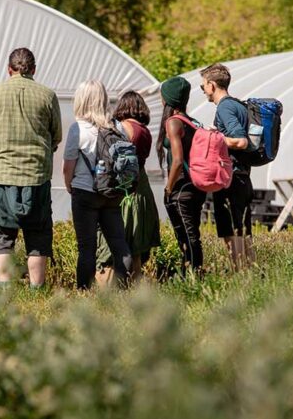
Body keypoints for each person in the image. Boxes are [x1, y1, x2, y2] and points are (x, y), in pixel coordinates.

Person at [0, 48, 62, 288]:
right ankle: (36, 291)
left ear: (9, 68)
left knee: (2, 235)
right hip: (36, 177)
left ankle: (6, 289)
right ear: (34, 69)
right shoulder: (47, 95)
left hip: (1, 175)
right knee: (38, 234)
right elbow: (56, 136)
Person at [63, 80, 133, 289]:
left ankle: (84, 291)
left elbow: (68, 166)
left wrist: (70, 186)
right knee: (120, 245)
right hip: (112, 193)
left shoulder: (78, 129)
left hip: (85, 192)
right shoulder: (118, 127)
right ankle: (122, 290)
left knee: (87, 248)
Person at [96, 91, 160, 282]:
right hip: (142, 190)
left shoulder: (122, 128)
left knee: (109, 249)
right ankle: (134, 295)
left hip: (123, 191)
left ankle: (104, 296)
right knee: (137, 248)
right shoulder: (146, 131)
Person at [199, 62, 256, 269]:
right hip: (242, 176)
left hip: (231, 178)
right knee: (243, 229)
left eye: (203, 86)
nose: (203, 90)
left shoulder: (224, 107)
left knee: (232, 230)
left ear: (212, 85)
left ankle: (239, 274)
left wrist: (213, 138)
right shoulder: (238, 105)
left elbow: (240, 141)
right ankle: (250, 272)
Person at [157, 76, 205, 273]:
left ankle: (193, 278)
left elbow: (177, 160)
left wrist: (168, 188)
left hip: (181, 187)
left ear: (168, 99)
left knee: (187, 236)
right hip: (196, 186)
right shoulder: (193, 122)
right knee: (192, 234)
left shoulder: (173, 122)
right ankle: (193, 275)